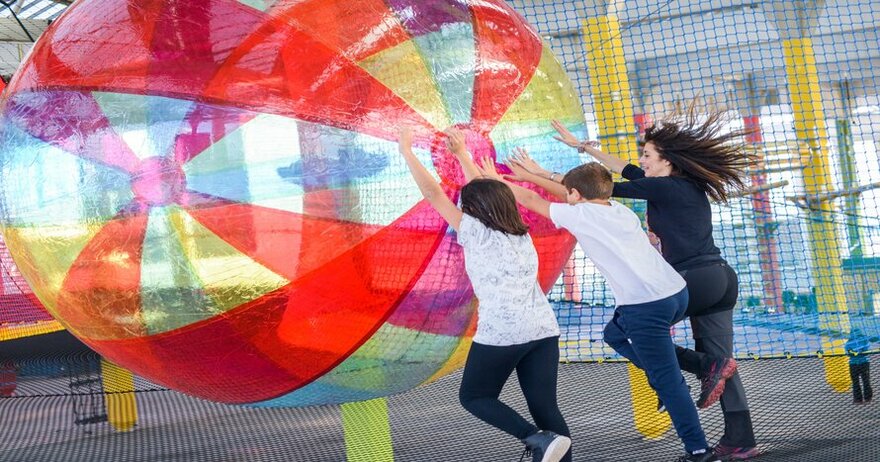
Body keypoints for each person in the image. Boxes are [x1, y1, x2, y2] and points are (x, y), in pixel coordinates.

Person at [510, 108, 758, 459]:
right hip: (719, 279)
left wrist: (539, 173)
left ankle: (671, 377)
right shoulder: (681, 186)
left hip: (691, 280)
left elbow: (596, 193)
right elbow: (619, 173)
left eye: (647, 155)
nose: (641, 160)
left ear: (667, 162)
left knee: (629, 334)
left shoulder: (664, 187)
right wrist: (583, 147)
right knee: (721, 363)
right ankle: (741, 439)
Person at [478, 157, 720, 462]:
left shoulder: (581, 217)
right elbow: (570, 192)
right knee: (614, 335)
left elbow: (530, 199)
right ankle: (698, 364)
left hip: (646, 307)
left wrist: (496, 179)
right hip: (676, 294)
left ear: (577, 195)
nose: (566, 197)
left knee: (670, 383)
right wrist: (530, 173)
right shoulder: (618, 209)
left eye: (569, 193)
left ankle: (699, 450)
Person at [398, 127, 571, 462]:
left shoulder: (474, 232)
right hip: (543, 330)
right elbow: (489, 192)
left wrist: (407, 151)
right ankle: (548, 445)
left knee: (475, 396)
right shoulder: (520, 233)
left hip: (504, 334)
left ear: (473, 208)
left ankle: (533, 439)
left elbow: (434, 195)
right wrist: (462, 154)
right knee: (546, 408)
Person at [846, 328, 873, 404]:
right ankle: (858, 399)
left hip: (864, 363)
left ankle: (868, 398)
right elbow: (847, 352)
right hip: (853, 364)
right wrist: (851, 352)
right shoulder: (848, 342)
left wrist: (859, 352)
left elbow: (866, 351)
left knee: (866, 380)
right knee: (855, 382)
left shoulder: (864, 340)